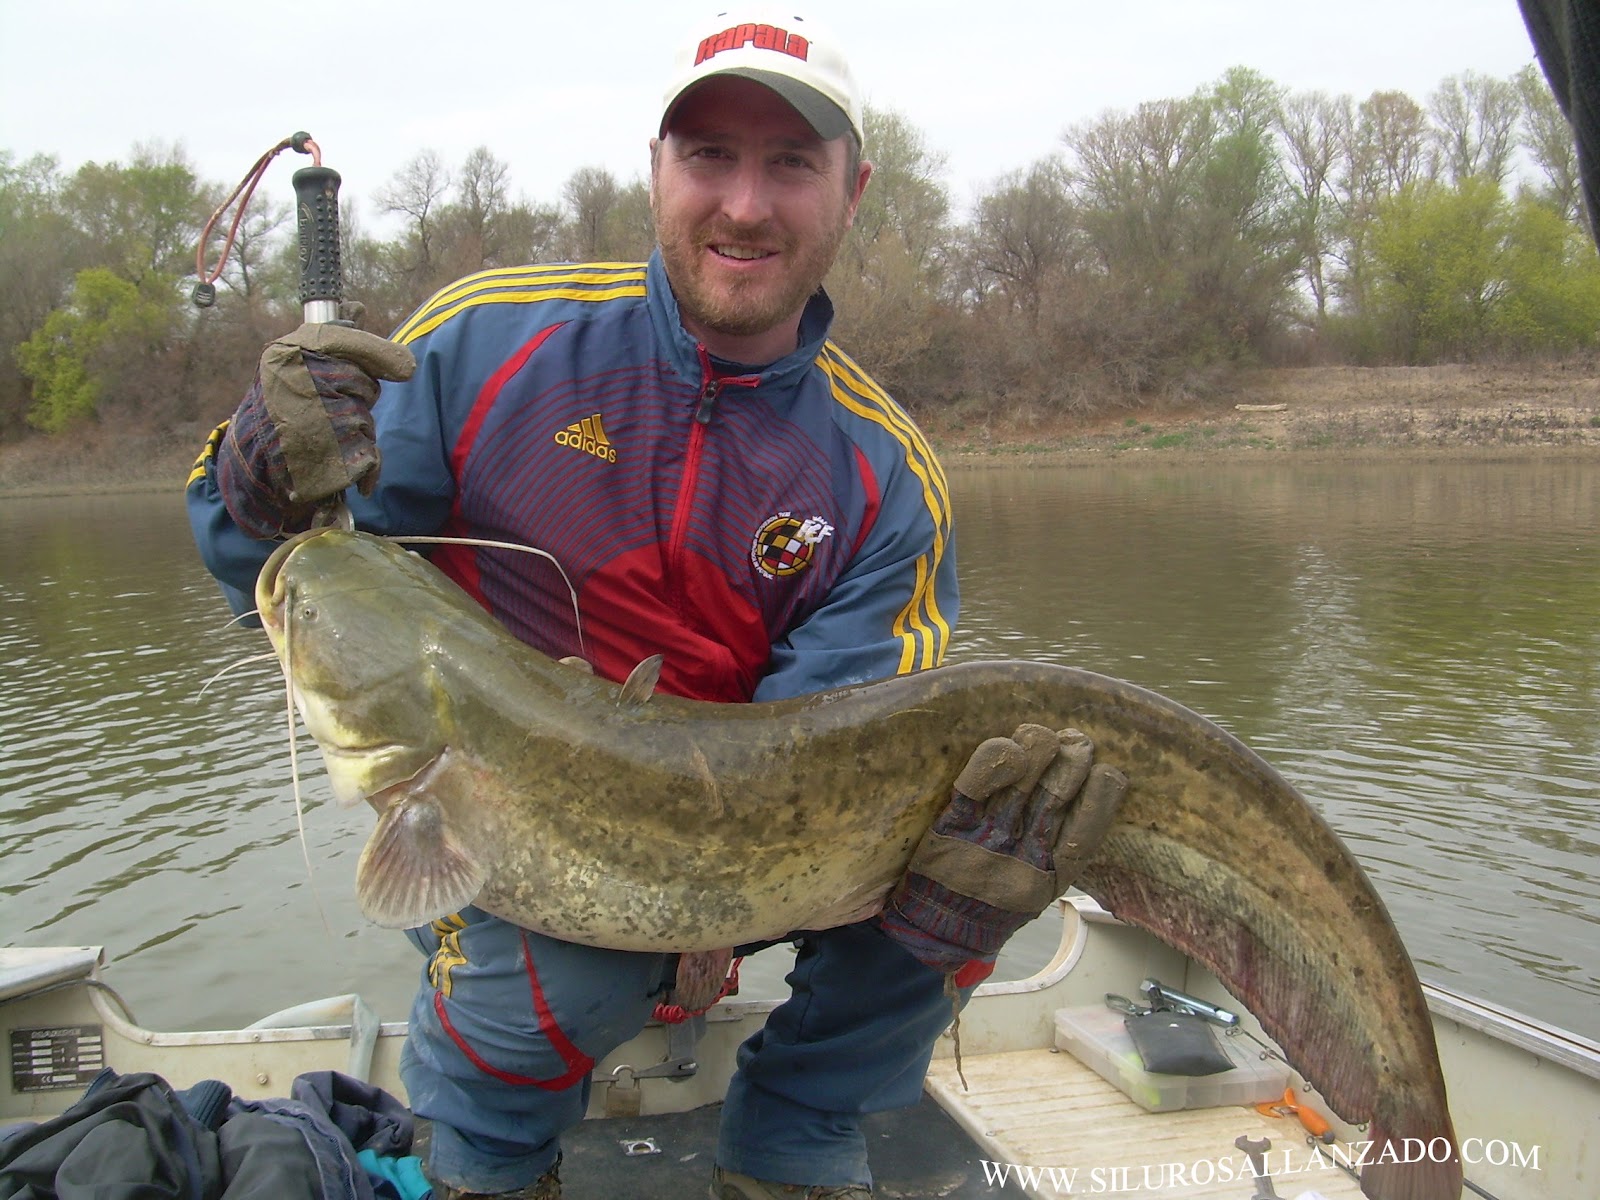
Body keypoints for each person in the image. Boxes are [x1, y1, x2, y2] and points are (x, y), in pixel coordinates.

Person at [187, 8, 1126, 1198]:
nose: (743, 205)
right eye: (708, 157)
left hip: (766, 824)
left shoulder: (881, 473)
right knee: (557, 993)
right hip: (507, 803)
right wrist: (254, 479)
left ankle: (791, 1149)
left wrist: (715, 920)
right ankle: (486, 1163)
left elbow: (832, 744)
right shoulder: (481, 346)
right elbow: (303, 570)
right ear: (655, 168)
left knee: (965, 887)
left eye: (790, 163)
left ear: (852, 191)